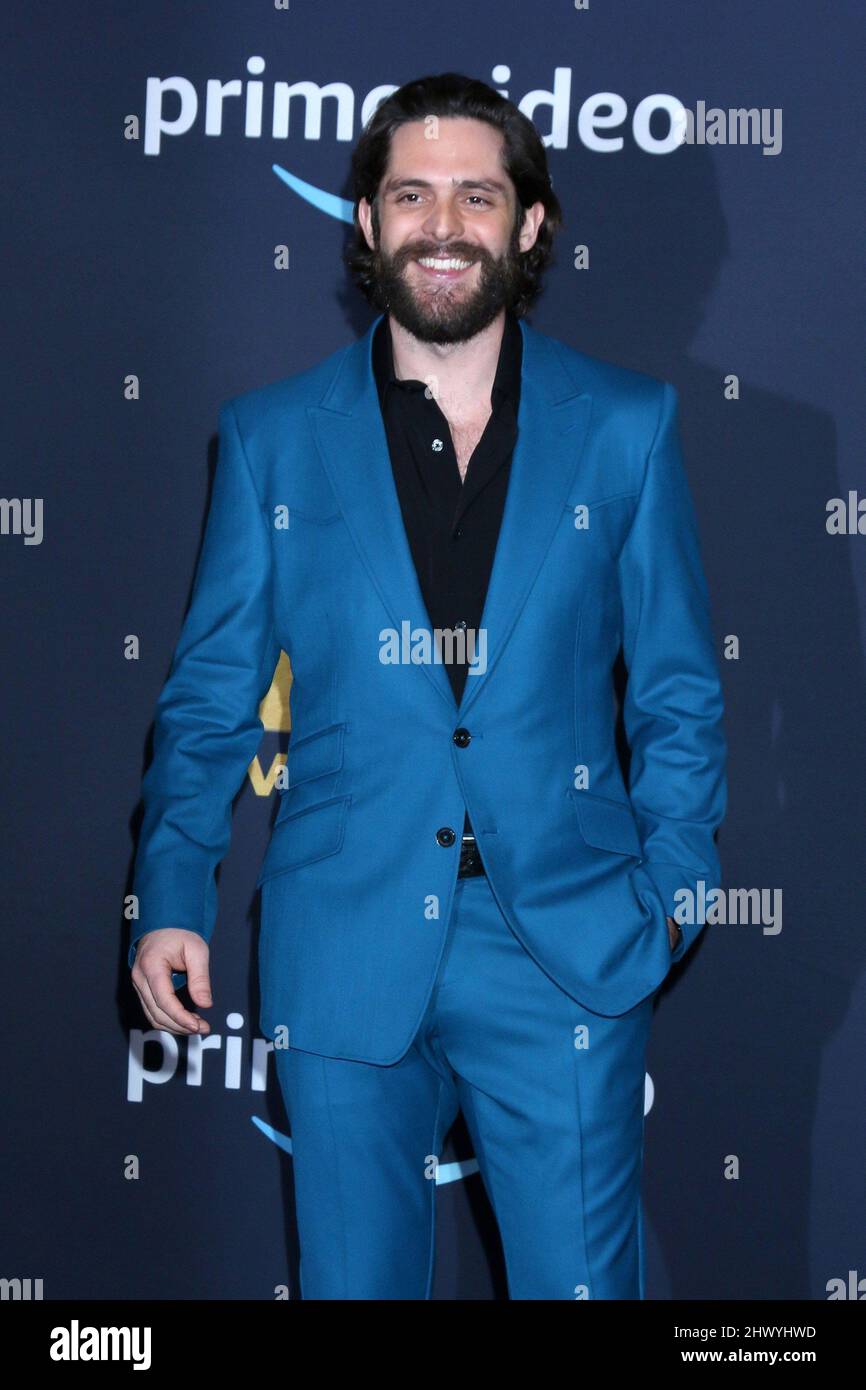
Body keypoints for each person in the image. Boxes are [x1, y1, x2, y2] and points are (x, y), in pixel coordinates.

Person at [128, 71, 727, 1300]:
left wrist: (674, 883)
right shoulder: (270, 436)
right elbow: (208, 699)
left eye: (475, 194)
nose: (441, 224)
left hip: (565, 942)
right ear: (366, 224)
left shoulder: (625, 425)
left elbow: (676, 686)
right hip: (342, 940)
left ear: (530, 224)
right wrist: (170, 886)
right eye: (410, 195)